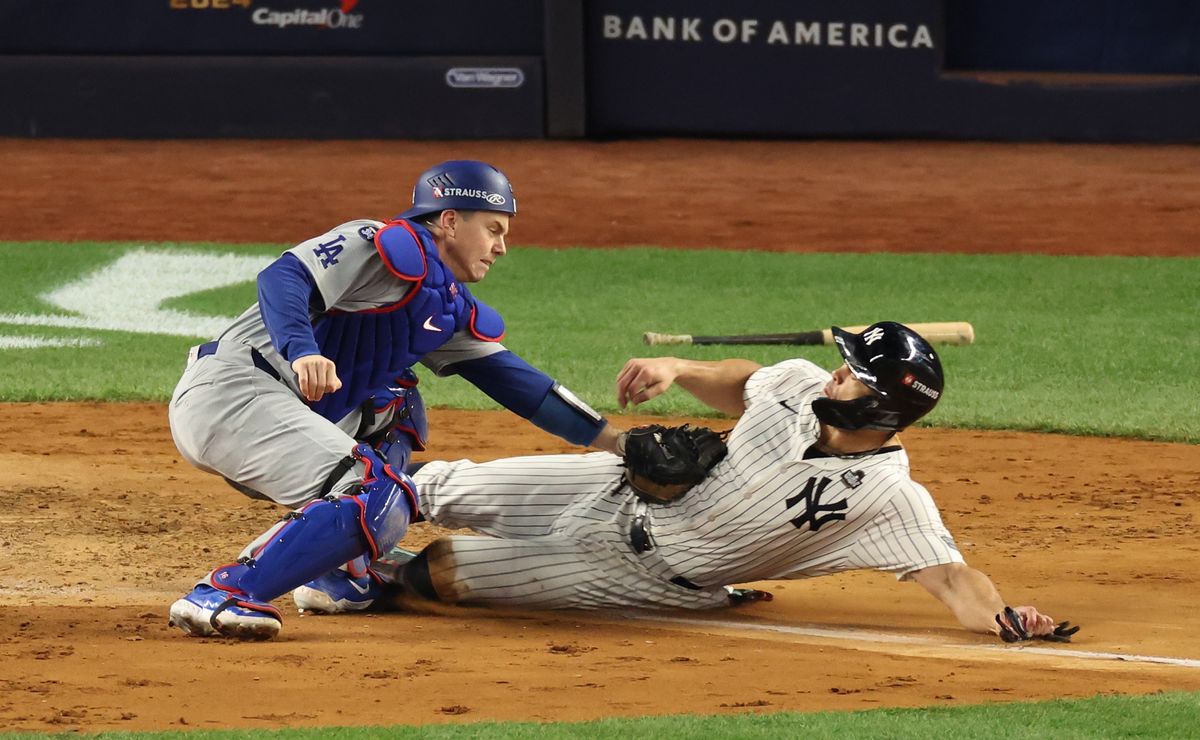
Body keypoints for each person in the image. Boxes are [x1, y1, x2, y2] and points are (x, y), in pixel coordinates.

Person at [334, 322, 1075, 642]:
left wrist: (1009, 616)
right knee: (436, 487)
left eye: (855, 375)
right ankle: (319, 505)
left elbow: (952, 577)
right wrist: (679, 370)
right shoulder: (798, 383)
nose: (838, 372)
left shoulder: (887, 497)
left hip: (638, 578)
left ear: (883, 405)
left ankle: (368, 573)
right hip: (611, 488)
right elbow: (742, 382)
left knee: (432, 578)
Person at [167, 160, 622, 640]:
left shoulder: (444, 304)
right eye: (492, 229)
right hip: (231, 392)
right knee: (377, 490)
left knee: (398, 403)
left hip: (278, 416)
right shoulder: (377, 243)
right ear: (449, 220)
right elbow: (283, 279)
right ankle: (225, 592)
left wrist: (617, 441)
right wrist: (302, 351)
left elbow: (519, 383)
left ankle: (337, 571)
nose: (501, 247)